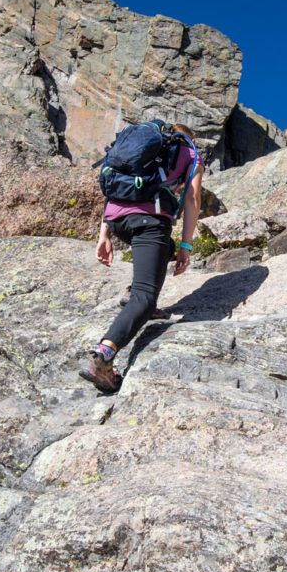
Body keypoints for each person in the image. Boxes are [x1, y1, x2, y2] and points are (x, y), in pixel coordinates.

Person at [78, 122, 203, 392]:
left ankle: (134, 290)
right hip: (149, 221)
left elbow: (112, 188)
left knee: (163, 247)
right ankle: (103, 356)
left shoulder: (136, 145)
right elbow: (193, 200)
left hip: (118, 221)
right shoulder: (190, 151)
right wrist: (187, 246)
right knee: (145, 299)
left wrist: (104, 235)